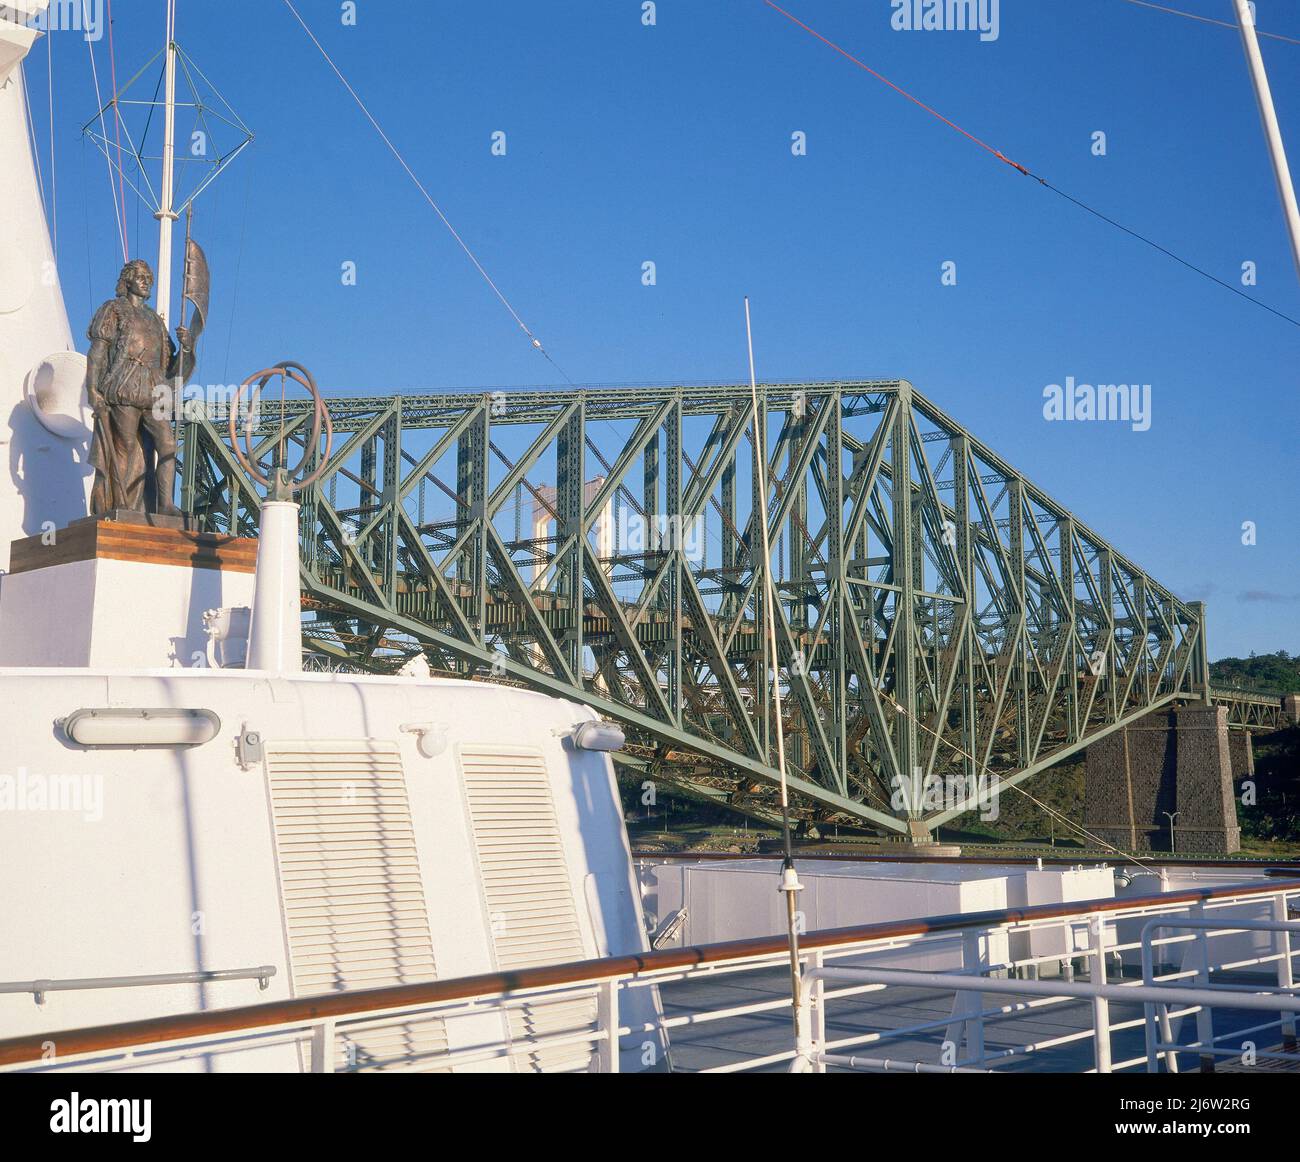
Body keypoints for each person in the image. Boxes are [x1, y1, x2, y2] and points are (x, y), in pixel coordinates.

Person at [86, 259, 194, 515]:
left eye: (149, 278)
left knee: (167, 444)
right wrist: (92, 389)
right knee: (125, 447)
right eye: (141, 277)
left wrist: (187, 346)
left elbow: (171, 366)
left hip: (155, 389)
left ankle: (165, 505)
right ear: (128, 280)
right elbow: (97, 353)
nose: (147, 282)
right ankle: (119, 504)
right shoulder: (113, 310)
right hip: (126, 385)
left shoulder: (155, 320)